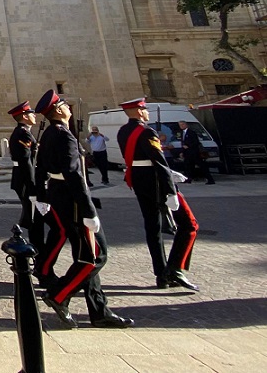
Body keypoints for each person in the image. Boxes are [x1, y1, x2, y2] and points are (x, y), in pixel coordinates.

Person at [33, 90, 132, 329]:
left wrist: (42, 195)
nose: (69, 108)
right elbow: (74, 175)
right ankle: (58, 295)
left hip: (59, 196)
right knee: (96, 255)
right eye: (65, 105)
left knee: (84, 255)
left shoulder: (48, 134)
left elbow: (39, 167)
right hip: (74, 202)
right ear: (58, 110)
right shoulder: (63, 136)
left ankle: (99, 311)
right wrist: (89, 212)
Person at [118, 98, 199, 290]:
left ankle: (161, 274)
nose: (146, 112)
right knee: (189, 224)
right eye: (144, 109)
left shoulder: (123, 131)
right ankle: (176, 268)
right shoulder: (146, 131)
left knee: (153, 228)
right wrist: (170, 188)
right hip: (156, 182)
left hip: (138, 180)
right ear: (138, 111)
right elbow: (159, 160)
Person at [6, 102, 45, 263]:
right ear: (24, 116)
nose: (34, 116)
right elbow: (26, 163)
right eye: (31, 113)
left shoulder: (24, 132)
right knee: (34, 219)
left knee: (33, 216)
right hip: (24, 180)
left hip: (22, 178)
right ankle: (38, 254)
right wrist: (33, 188)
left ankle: (38, 251)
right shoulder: (22, 133)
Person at [179, 120, 214, 184]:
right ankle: (188, 179)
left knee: (201, 165)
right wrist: (182, 152)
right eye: (180, 125)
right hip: (187, 153)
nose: (181, 126)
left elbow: (196, 142)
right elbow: (183, 143)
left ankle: (210, 179)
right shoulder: (182, 133)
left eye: (183, 124)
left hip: (194, 152)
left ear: (186, 125)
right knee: (188, 167)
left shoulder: (192, 132)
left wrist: (188, 146)